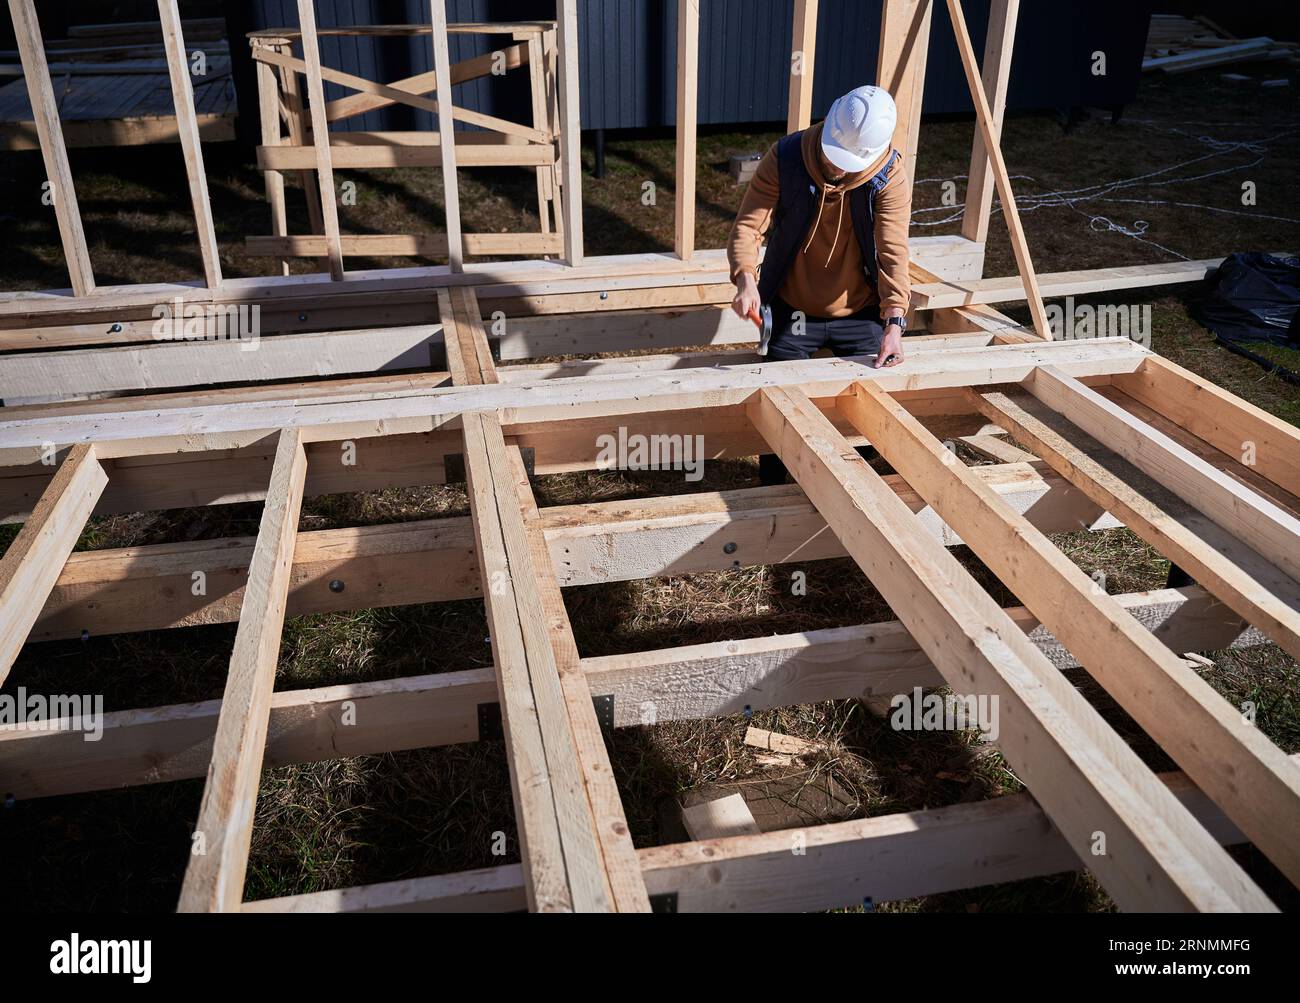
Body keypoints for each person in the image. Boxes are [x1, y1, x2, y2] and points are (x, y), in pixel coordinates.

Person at [727, 85, 912, 484]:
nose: (839, 170)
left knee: (864, 413)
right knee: (778, 414)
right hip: (792, 309)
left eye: (850, 164)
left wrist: (895, 322)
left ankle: (851, 493)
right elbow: (748, 226)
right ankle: (777, 501)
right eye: (835, 158)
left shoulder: (888, 173)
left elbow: (894, 251)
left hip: (858, 311)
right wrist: (745, 279)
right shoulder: (787, 157)